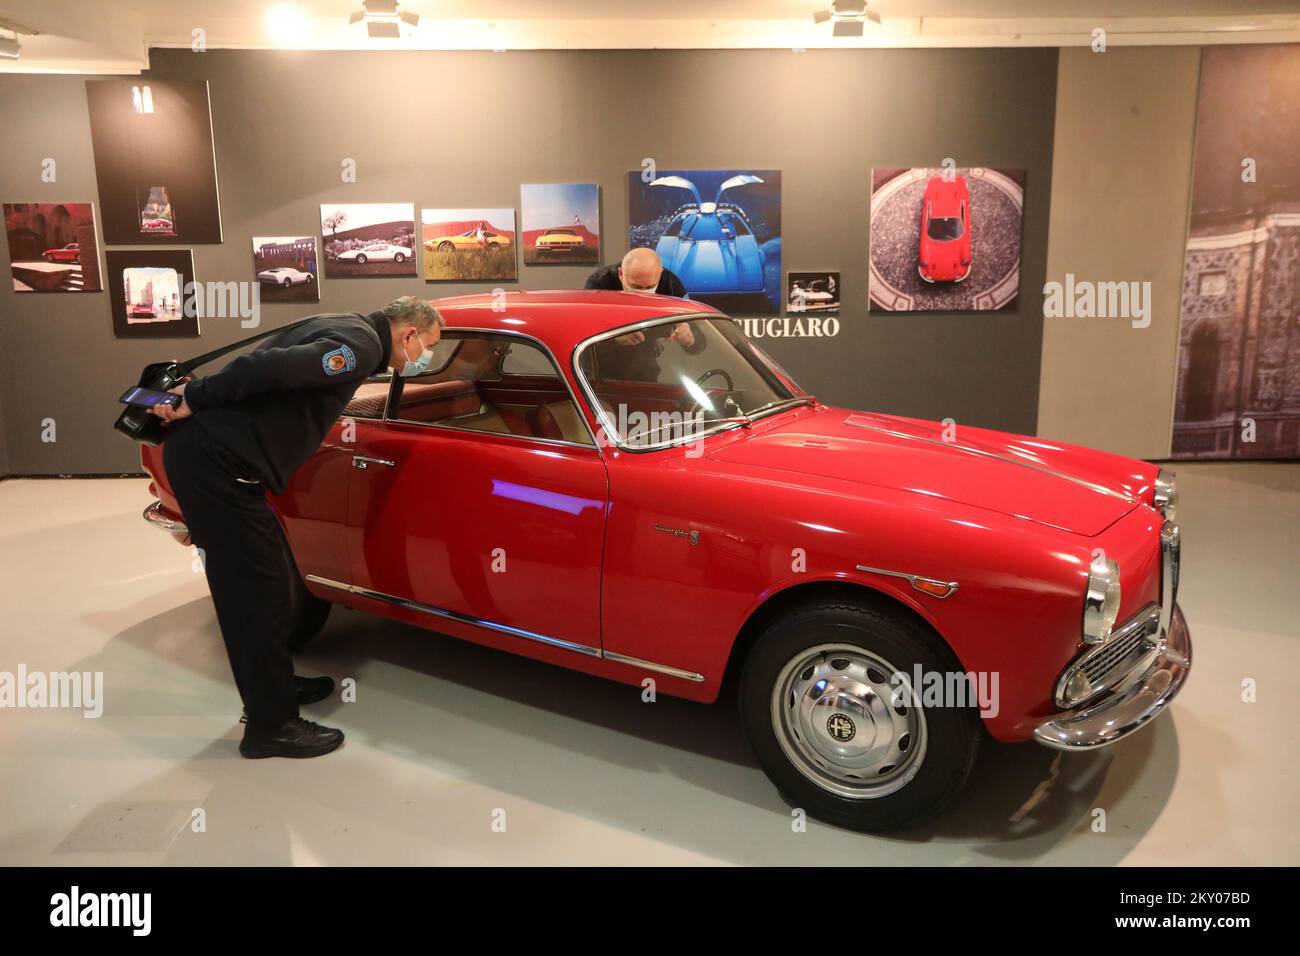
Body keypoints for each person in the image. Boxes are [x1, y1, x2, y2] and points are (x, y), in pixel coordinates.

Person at [150, 297, 444, 759]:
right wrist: (196, 397)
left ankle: (277, 688)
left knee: (260, 587)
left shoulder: (348, 321)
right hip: (217, 467)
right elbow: (270, 369)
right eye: (427, 347)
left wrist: (200, 398)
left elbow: (273, 366)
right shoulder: (362, 348)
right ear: (408, 334)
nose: (425, 358)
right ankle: (271, 726)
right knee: (254, 594)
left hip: (215, 462)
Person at [584, 248, 703, 380]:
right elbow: (583, 336)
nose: (643, 293)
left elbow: (699, 343)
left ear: (660, 274)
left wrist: (688, 335)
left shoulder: (671, 285)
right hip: (602, 374)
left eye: (650, 287)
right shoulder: (600, 284)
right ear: (621, 274)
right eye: (636, 287)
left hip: (646, 370)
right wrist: (613, 336)